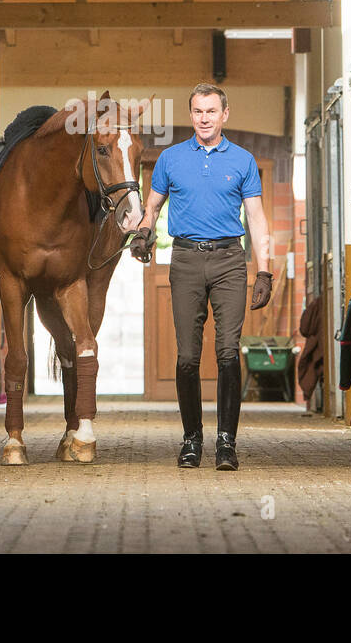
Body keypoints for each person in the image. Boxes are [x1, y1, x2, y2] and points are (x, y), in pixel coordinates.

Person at [129, 83, 273, 470]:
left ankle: (227, 443)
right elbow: (152, 206)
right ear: (191, 115)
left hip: (229, 260)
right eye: (197, 111)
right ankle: (192, 439)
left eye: (211, 111)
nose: (204, 118)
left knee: (228, 351)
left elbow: (257, 219)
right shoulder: (171, 159)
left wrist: (265, 270)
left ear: (225, 114)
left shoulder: (242, 161)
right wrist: (143, 235)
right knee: (188, 356)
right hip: (186, 260)